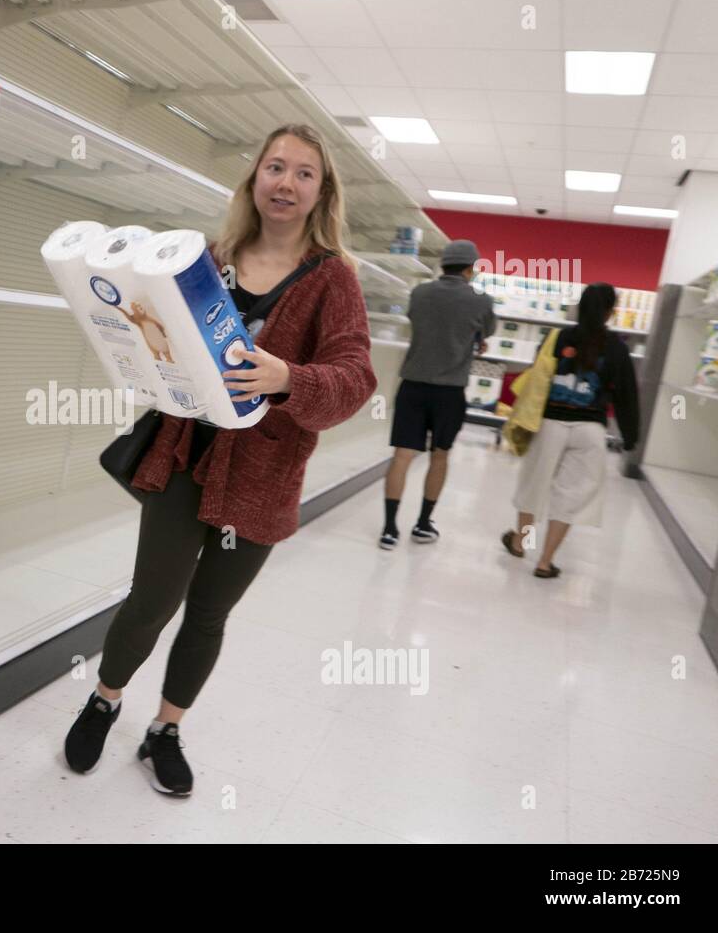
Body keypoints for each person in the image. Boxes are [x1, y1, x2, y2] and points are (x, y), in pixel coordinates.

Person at [63, 123, 377, 796]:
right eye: (275, 167)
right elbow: (157, 336)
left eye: (304, 173)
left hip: (263, 475)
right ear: (254, 178)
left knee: (208, 614)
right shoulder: (207, 259)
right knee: (152, 600)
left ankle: (165, 730)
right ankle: (104, 701)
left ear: (323, 192)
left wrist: (288, 377)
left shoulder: (333, 281)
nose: (286, 182)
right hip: (183, 458)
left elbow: (355, 377)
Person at [500, 283, 639, 577]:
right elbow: (627, 394)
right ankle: (545, 561)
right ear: (611, 312)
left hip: (550, 424)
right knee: (570, 495)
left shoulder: (558, 337)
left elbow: (537, 377)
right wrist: (630, 436)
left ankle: (519, 543)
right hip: (590, 430)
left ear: (580, 307)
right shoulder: (617, 348)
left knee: (534, 484)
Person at [380, 239, 495, 550]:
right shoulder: (481, 300)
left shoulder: (420, 292)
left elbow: (418, 321)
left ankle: (389, 529)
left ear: (444, 264)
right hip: (450, 392)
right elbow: (486, 331)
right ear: (471, 268)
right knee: (440, 455)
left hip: (413, 386)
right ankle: (422, 524)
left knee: (402, 456)